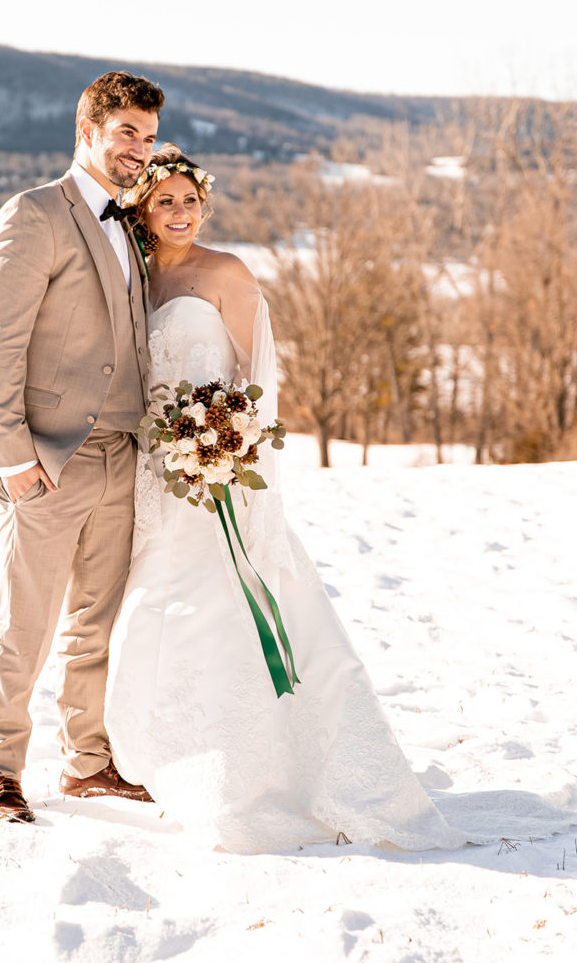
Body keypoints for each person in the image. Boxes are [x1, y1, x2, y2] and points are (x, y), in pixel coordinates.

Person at [104, 144, 470, 854]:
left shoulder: (228, 273)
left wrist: (228, 446)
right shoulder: (134, 278)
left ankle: (251, 771)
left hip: (218, 474)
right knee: (156, 605)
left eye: (190, 200)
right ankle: (167, 754)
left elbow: (255, 381)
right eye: (166, 201)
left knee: (224, 605)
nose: (182, 213)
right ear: (143, 210)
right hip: (156, 476)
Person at [0, 71, 165, 823]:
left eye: (150, 135)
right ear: (88, 131)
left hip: (119, 457)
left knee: (95, 624)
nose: (140, 149)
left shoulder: (132, 221)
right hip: (46, 460)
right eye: (127, 132)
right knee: (25, 622)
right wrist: (13, 456)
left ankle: (87, 763)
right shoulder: (34, 214)